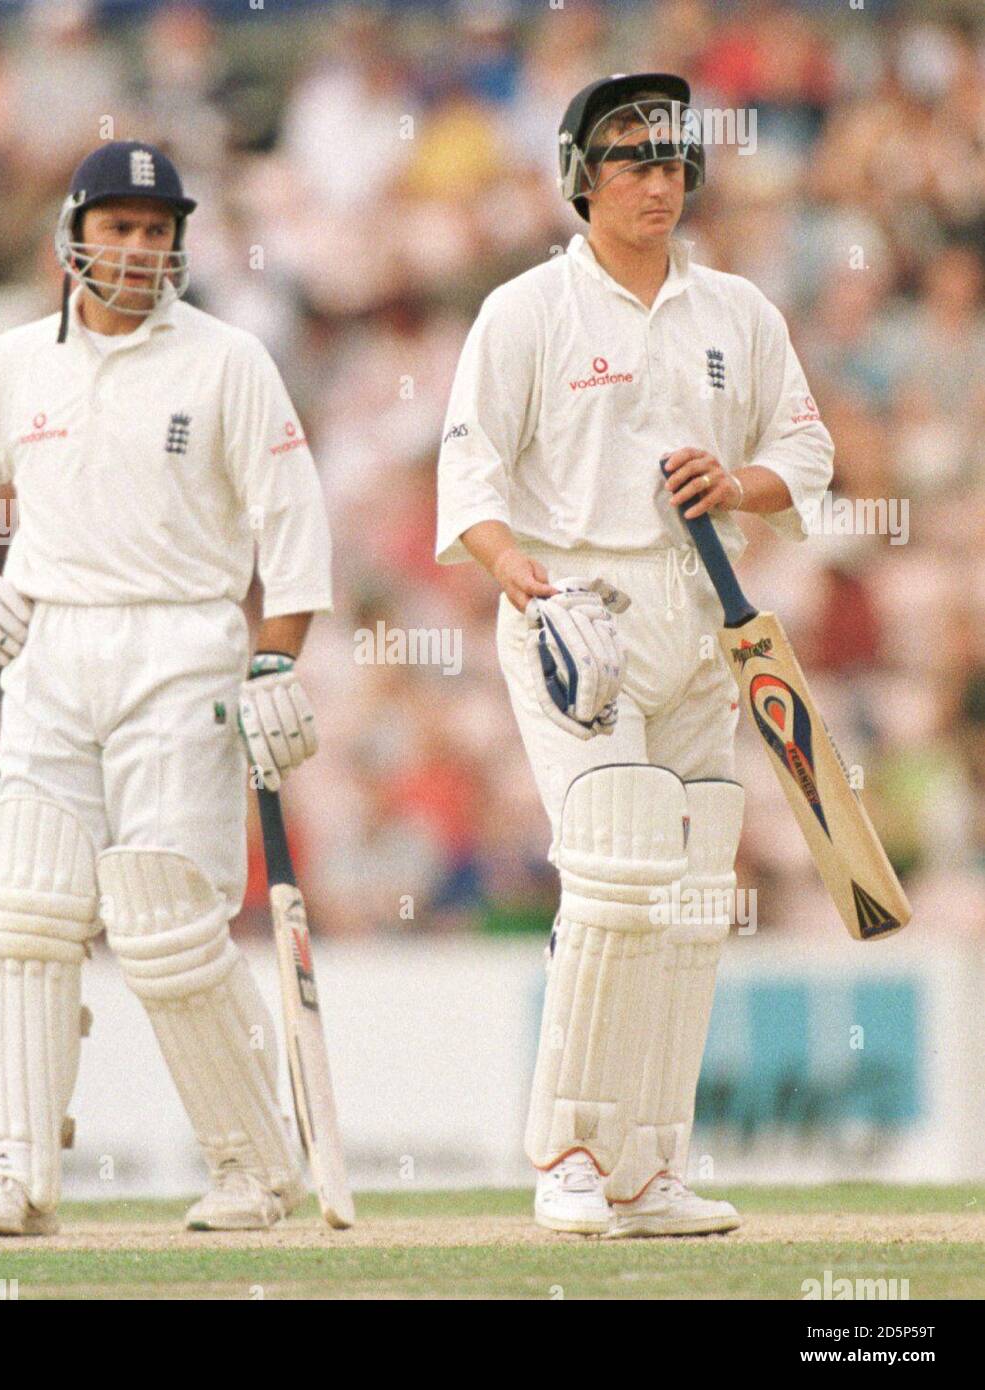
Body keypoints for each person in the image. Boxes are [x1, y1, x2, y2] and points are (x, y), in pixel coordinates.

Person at [436, 74, 833, 1236]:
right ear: (580, 177)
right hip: (575, 606)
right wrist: (519, 576)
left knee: (693, 894)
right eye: (630, 160)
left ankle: (649, 1165)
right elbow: (469, 477)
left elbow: (802, 455)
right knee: (612, 877)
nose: (657, 179)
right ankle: (565, 1149)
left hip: (700, 617)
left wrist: (738, 481)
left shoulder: (738, 313)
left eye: (670, 160)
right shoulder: (524, 311)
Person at [0, 141, 332, 1235]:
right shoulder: (15, 364)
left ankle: (254, 1167)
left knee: (164, 922)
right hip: (51, 653)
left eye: (158, 231)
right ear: (75, 237)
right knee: (20, 913)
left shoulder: (227, 359)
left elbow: (291, 519)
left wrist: (276, 653)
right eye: (120, 228)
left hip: (185, 646)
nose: (141, 249)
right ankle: (10, 1169)